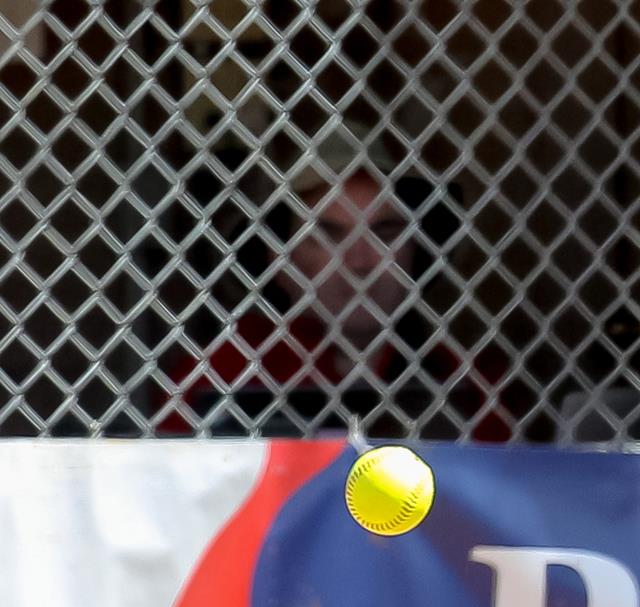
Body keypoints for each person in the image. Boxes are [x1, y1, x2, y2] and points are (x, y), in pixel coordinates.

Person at [161, 164, 509, 440]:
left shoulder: (467, 383)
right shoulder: (222, 374)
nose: (359, 261)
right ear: (279, 260)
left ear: (416, 254)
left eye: (384, 232)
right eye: (326, 235)